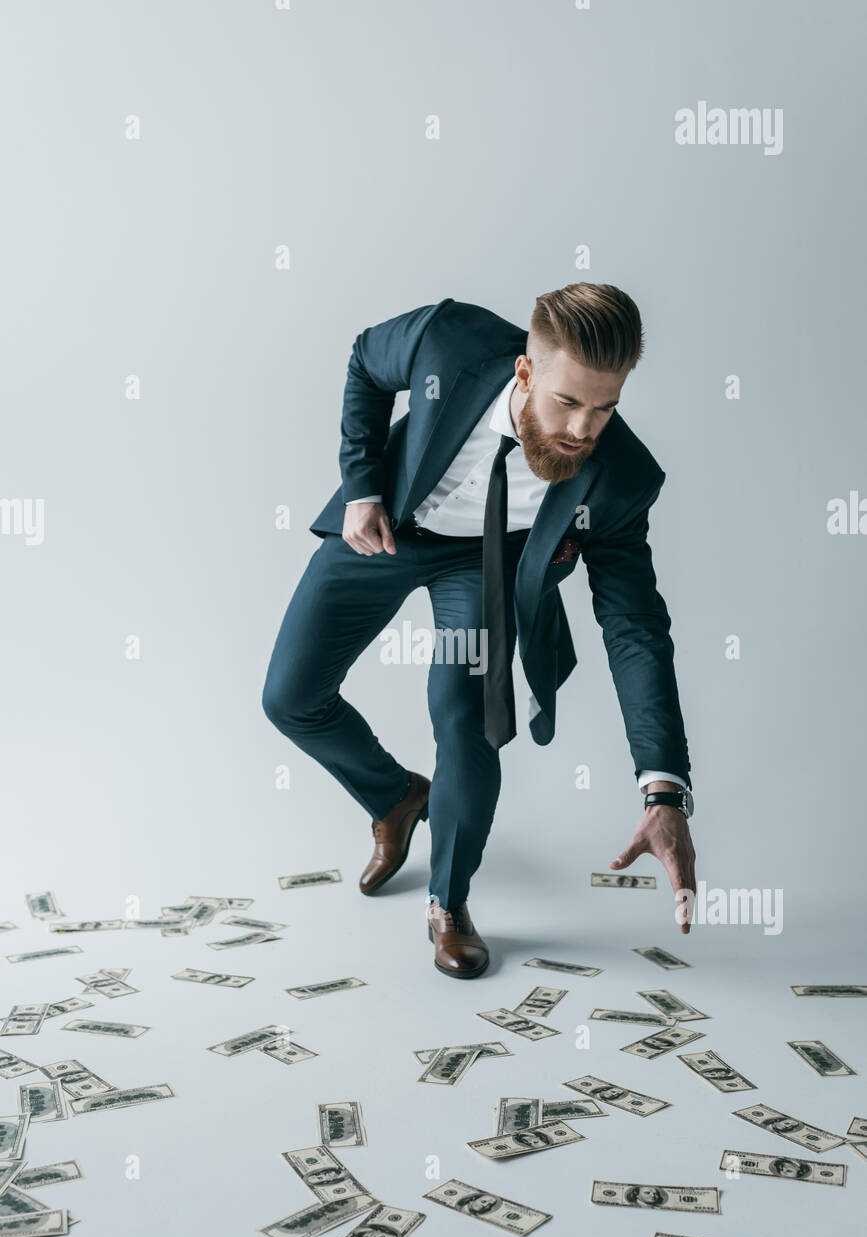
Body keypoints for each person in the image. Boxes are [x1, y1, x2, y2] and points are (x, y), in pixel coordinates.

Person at [262, 285, 696, 979]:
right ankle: (396, 797)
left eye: (605, 407)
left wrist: (663, 789)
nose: (584, 431)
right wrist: (361, 486)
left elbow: (635, 626)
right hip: (389, 525)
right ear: (524, 373)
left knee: (463, 716)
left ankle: (447, 901)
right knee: (290, 698)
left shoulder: (620, 477)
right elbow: (366, 365)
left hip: (486, 564)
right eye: (568, 402)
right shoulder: (449, 342)